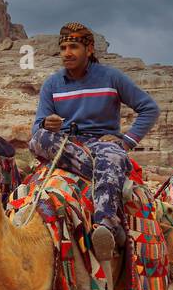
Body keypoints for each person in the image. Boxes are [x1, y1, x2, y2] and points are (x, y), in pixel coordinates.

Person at [29, 22, 160, 260]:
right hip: (67, 144)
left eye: (74, 47)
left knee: (111, 154)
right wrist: (47, 124)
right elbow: (37, 128)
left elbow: (149, 108)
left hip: (102, 144)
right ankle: (105, 173)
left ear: (89, 50)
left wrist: (126, 141)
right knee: (39, 140)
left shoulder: (111, 77)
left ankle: (106, 227)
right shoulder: (52, 84)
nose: (67, 53)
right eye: (64, 48)